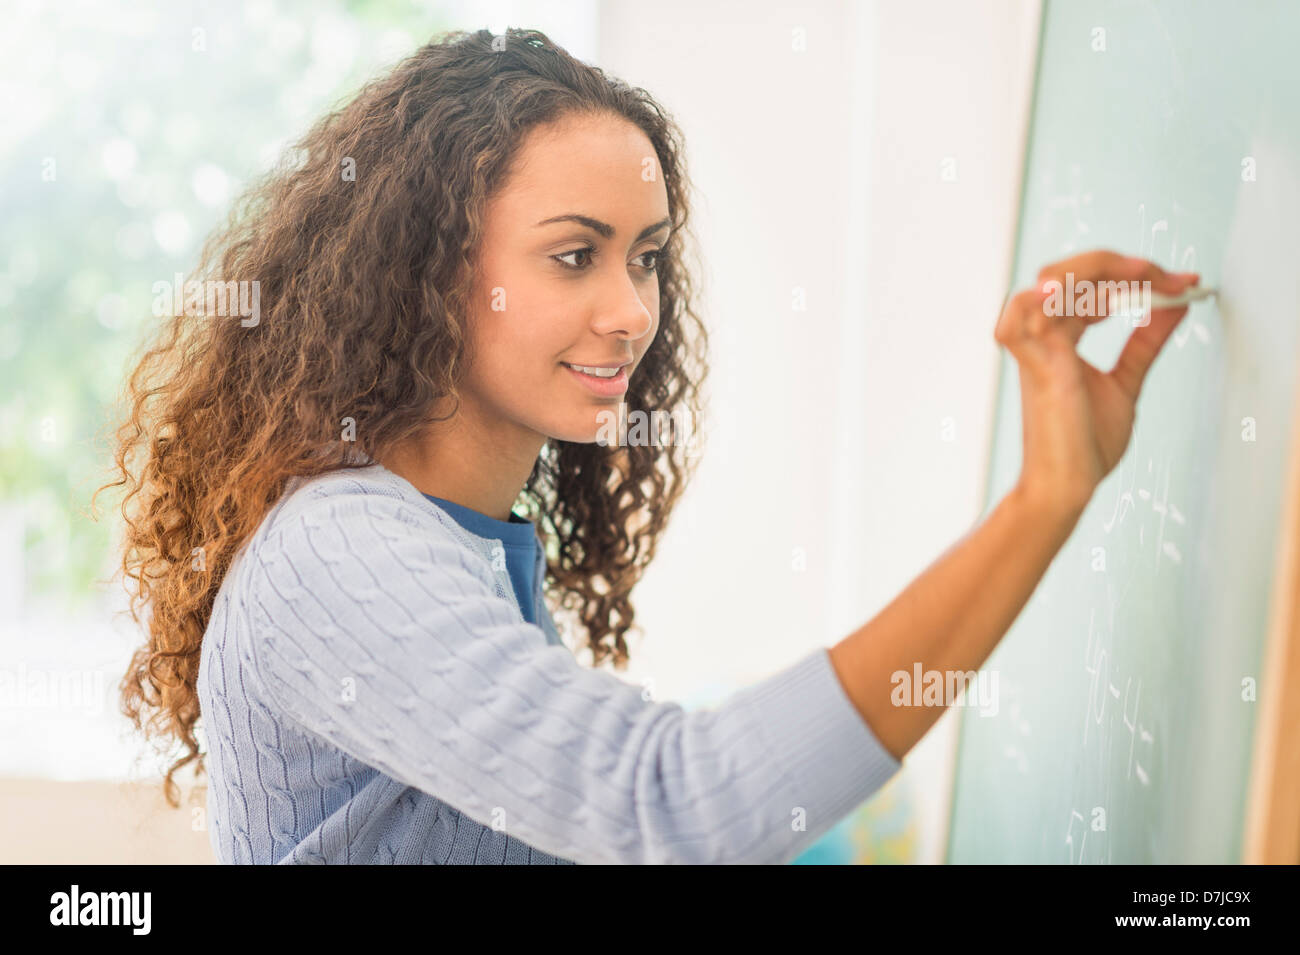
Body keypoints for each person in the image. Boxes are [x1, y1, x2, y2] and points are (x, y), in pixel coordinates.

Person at [100, 27, 1199, 864]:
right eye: (574, 256)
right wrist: (1046, 498)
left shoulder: (467, 543)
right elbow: (671, 806)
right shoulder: (344, 557)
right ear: (427, 270)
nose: (633, 309)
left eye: (649, 256)